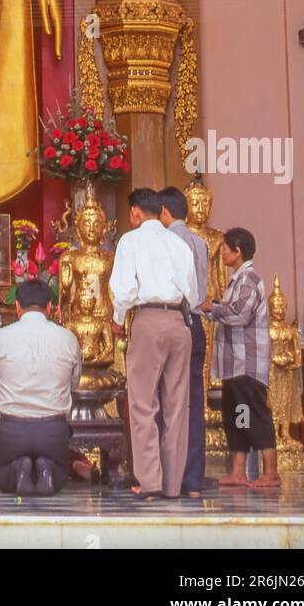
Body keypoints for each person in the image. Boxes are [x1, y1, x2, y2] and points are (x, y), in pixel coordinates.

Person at [110, 187, 199, 502]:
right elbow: (195, 293)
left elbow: (124, 289)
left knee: (143, 403)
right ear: (160, 211)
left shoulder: (130, 240)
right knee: (177, 405)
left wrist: (118, 320)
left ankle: (149, 483)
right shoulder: (179, 243)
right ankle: (173, 485)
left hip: (147, 321)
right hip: (180, 324)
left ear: (134, 211)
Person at [0, 278, 80, 496]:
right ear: (50, 307)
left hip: (13, 430)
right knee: (61, 473)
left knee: (0, 474)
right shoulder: (68, 338)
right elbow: (73, 383)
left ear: (17, 306)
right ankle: (48, 468)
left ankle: (18, 468)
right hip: (53, 430)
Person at [202, 226, 279, 491]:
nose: (221, 252)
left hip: (247, 364)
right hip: (233, 366)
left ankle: (271, 472)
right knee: (236, 418)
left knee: (255, 416)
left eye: (225, 248)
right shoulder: (236, 280)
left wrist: (212, 307)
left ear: (238, 251)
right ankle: (238, 472)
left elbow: (239, 315)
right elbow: (225, 312)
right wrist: (209, 309)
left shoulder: (250, 280)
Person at [159, 186, 210, 498]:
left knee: (165, 401)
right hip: (195, 323)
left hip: (173, 320)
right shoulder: (200, 242)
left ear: (164, 211)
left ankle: (167, 477)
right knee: (192, 402)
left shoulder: (166, 241)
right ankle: (192, 481)